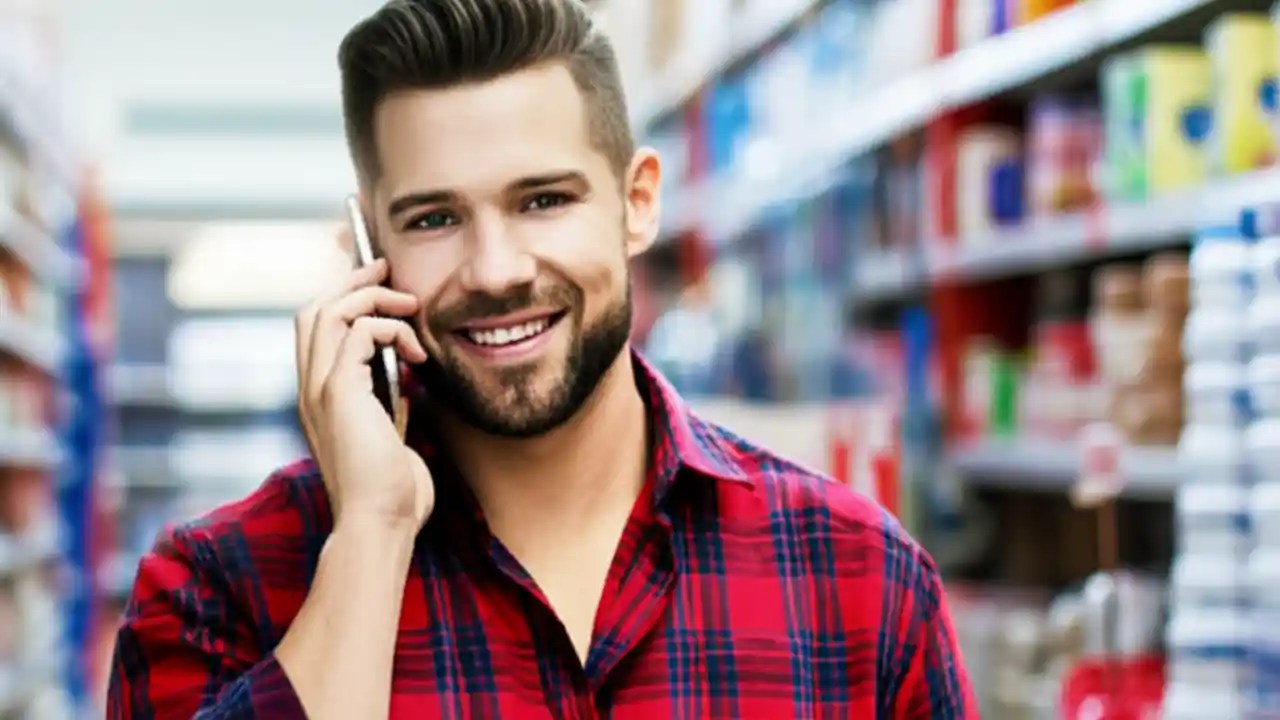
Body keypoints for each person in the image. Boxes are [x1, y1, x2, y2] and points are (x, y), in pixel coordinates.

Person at [106, 0, 976, 717]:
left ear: (637, 204)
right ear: (367, 247)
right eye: (434, 219)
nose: (496, 271)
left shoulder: (857, 576)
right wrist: (372, 532)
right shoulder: (216, 591)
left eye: (545, 200)